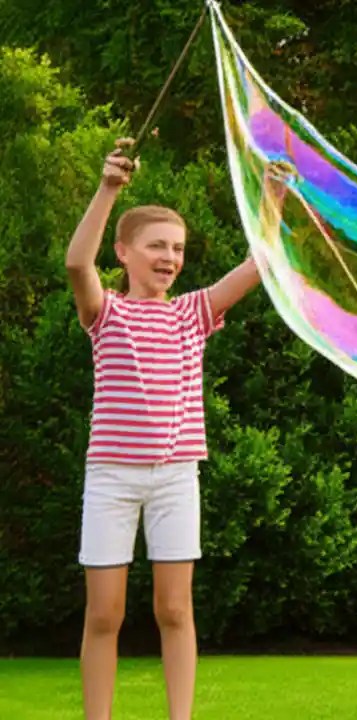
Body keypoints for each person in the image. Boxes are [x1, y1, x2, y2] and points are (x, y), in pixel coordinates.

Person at [66, 138, 263, 720]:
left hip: (177, 477)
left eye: (177, 248)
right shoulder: (106, 312)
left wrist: (271, 199)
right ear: (123, 252)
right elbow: (78, 262)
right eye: (156, 245)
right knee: (105, 615)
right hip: (111, 478)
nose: (169, 256)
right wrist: (108, 189)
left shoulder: (192, 313)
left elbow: (257, 265)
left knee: (176, 611)